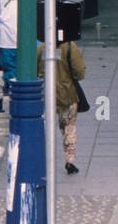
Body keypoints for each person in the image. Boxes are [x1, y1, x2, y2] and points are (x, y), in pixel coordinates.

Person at [37, 37, 86, 175]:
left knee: (44, 127)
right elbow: (80, 72)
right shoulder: (70, 47)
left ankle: (42, 159)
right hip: (67, 94)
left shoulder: (41, 48)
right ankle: (70, 160)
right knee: (69, 129)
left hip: (45, 94)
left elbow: (34, 70)